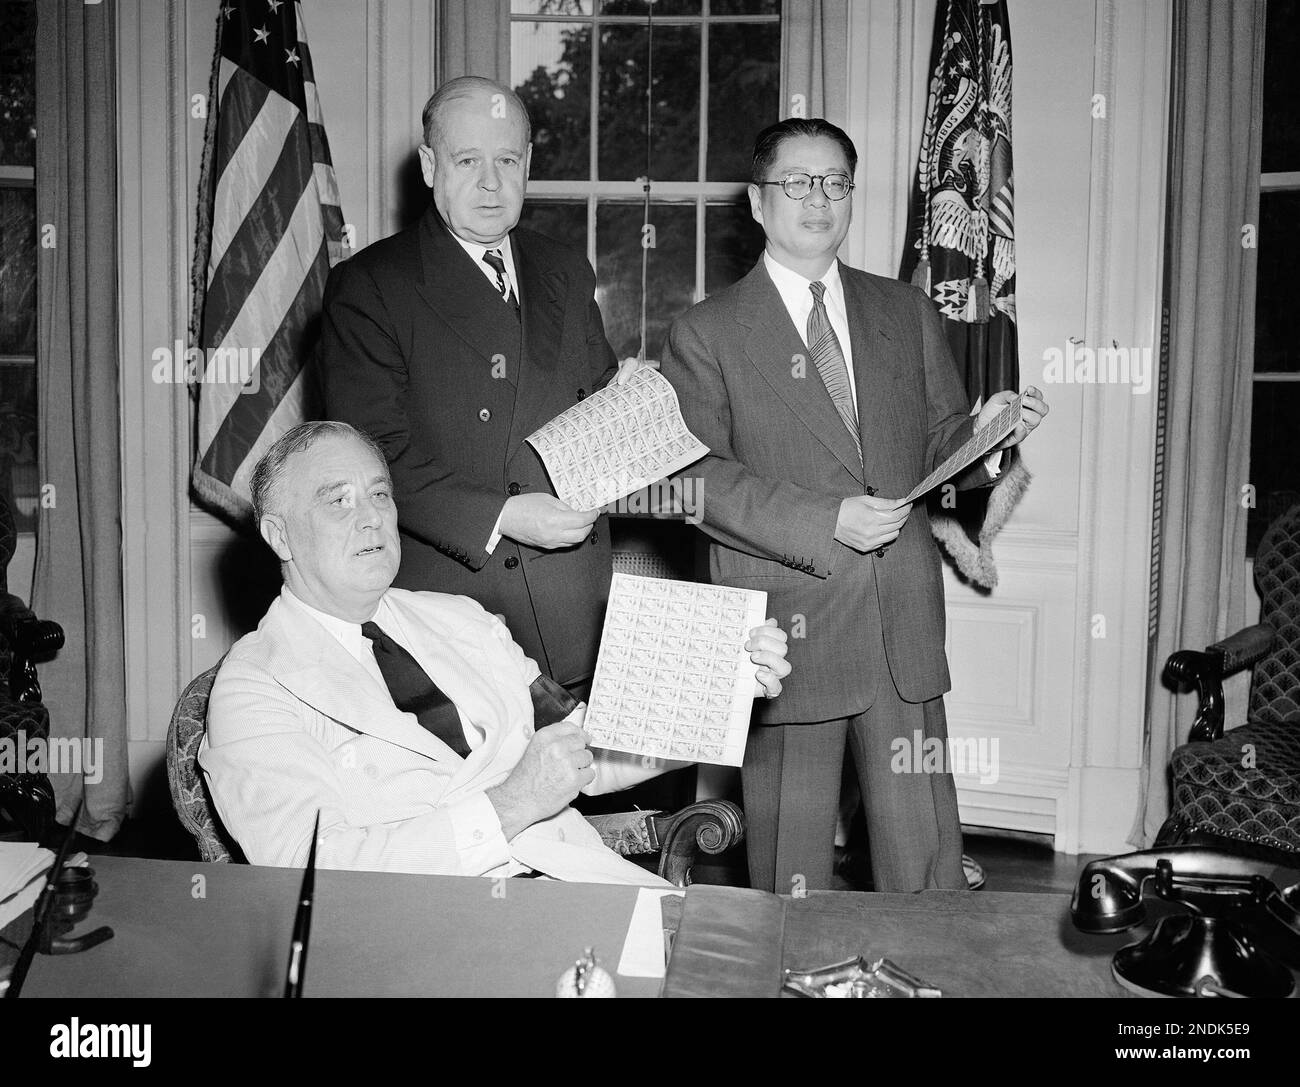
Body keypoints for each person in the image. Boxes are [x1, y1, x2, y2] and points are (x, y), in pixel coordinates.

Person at [660, 118, 1048, 894]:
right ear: (758, 202)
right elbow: (694, 479)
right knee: (789, 877)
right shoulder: (706, 332)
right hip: (787, 640)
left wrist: (989, 436)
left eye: (835, 182)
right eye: (796, 182)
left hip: (903, 632)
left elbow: (940, 455)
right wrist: (825, 519)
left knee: (927, 868)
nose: (818, 198)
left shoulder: (905, 313)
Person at [198, 422, 790, 883]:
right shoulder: (254, 687)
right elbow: (309, 871)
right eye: (339, 501)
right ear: (278, 535)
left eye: (380, 493)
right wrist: (511, 804)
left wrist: (721, 687)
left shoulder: (463, 620)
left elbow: (589, 750)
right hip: (421, 932)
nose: (373, 517)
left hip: (573, 882)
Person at [318, 76, 637, 696]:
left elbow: (590, 408)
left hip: (580, 611)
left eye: (508, 160)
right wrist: (506, 515)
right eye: (468, 160)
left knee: (605, 792)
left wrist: (629, 403)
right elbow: (373, 462)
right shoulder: (370, 285)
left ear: (529, 165)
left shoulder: (564, 269)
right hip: (455, 623)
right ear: (431, 166)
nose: (491, 183)